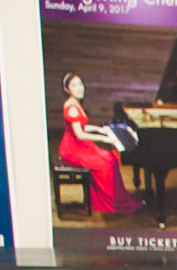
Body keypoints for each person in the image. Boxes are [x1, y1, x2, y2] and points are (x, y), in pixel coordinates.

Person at [56, 74, 141, 216]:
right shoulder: (72, 108)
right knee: (107, 161)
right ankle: (113, 202)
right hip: (73, 149)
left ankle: (113, 198)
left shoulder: (75, 103)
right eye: (74, 86)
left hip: (77, 145)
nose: (79, 88)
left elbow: (81, 126)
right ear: (67, 89)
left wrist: (99, 129)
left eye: (80, 84)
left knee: (110, 157)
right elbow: (80, 134)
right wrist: (103, 138)